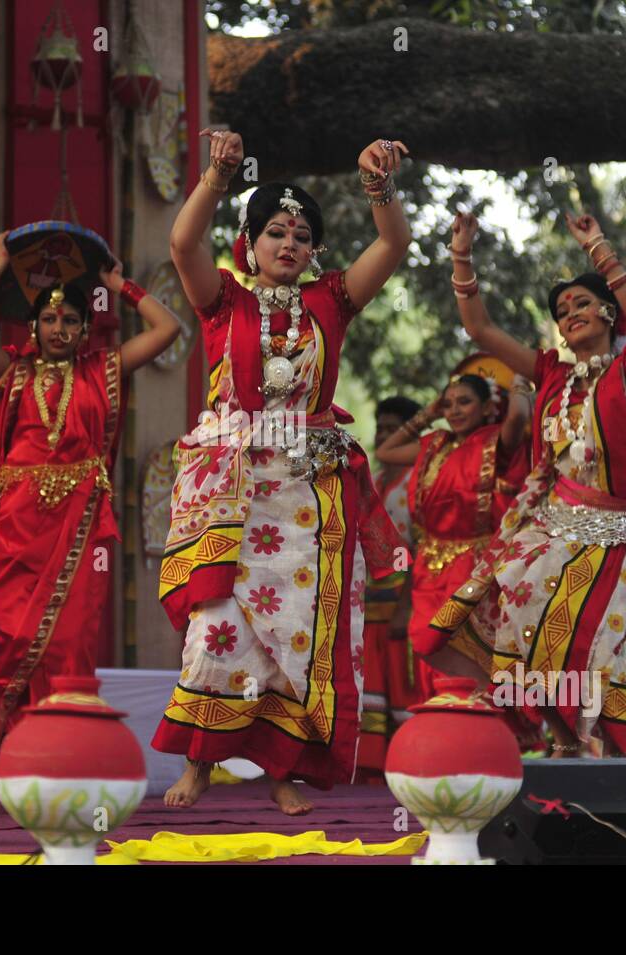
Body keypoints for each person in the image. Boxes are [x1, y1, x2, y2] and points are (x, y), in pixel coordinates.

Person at [154, 130, 410, 814]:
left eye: (301, 235)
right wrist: (216, 175)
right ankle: (201, 760)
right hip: (233, 490)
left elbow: (391, 247)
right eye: (274, 232)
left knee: (299, 630)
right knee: (217, 623)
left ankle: (279, 769)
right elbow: (182, 245)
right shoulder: (224, 303)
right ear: (249, 243)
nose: (289, 244)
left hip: (307, 493)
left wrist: (378, 186)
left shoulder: (332, 301)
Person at [426, 209, 626, 757]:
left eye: (582, 304)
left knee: (597, 644)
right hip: (553, 528)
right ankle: (564, 745)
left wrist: (598, 248)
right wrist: (462, 254)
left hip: (616, 535)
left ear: (609, 313)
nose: (570, 315)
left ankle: (619, 760)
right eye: (563, 311)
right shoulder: (552, 374)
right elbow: (480, 329)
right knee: (527, 620)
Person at [0, 231, 180, 741]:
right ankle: (18, 747)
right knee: (7, 632)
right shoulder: (15, 373)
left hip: (79, 525)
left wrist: (122, 286)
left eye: (71, 320)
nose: (59, 328)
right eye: (49, 319)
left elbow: (169, 328)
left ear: (84, 327)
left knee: (69, 638)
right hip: (15, 524)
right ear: (33, 325)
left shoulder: (103, 371)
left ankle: (64, 750)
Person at [376, 369, 530, 701]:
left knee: (459, 640)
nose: (455, 411)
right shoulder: (435, 444)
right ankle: (457, 709)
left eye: (465, 402)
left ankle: (480, 706)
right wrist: (427, 414)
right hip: (428, 565)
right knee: (424, 640)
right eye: (448, 404)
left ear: (488, 407)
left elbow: (518, 415)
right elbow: (385, 452)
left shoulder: (495, 442)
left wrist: (519, 379)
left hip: (472, 563)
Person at [356, 395, 419, 778]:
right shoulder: (375, 481)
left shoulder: (418, 481)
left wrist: (407, 603)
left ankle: (410, 761)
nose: (383, 436)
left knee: (402, 678)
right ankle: (372, 766)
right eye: (380, 428)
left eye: (393, 429)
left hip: (406, 595)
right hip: (370, 596)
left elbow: (424, 547)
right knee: (373, 679)